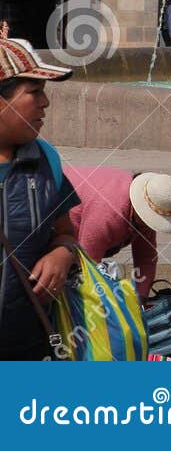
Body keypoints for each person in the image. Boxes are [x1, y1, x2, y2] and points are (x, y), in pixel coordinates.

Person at [0, 38, 80, 361]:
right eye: (34, 92)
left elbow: (66, 233)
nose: (45, 102)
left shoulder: (47, 161)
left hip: (28, 349)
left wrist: (62, 254)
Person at [68, 168, 171, 301]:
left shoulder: (147, 210)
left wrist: (140, 299)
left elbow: (146, 258)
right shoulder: (108, 214)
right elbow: (88, 264)